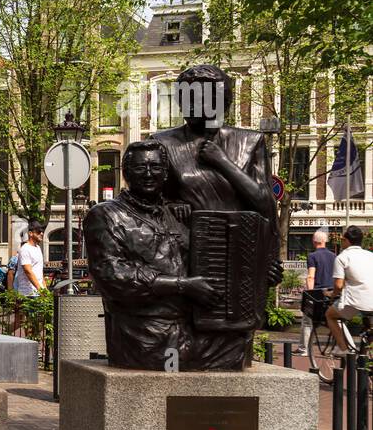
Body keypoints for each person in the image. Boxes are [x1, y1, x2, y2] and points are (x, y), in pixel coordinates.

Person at [152, 63, 282, 368]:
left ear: (225, 102)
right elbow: (149, 206)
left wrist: (222, 162)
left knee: (231, 341)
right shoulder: (163, 143)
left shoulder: (249, 142)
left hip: (238, 260)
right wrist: (171, 209)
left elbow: (264, 204)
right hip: (186, 262)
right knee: (183, 350)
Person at [83, 139, 218, 369]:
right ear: (126, 173)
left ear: (166, 174)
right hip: (140, 336)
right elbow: (112, 275)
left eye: (156, 168)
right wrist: (181, 285)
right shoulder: (106, 215)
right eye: (140, 168)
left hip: (190, 332)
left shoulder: (178, 213)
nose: (148, 174)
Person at [326, 226, 373, 350]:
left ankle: (345, 351)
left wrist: (332, 296)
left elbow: (338, 285)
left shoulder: (342, 257)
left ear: (346, 241)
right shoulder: (370, 255)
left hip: (355, 301)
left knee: (330, 315)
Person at [298, 227, 336, 356]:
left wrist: (309, 294)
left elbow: (311, 276)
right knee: (334, 320)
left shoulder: (312, 256)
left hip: (318, 293)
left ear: (314, 242)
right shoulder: (334, 256)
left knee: (307, 321)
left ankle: (304, 349)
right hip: (332, 293)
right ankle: (338, 347)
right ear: (325, 241)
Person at [11, 221, 45, 333]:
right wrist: (40, 289)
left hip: (37, 292)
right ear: (31, 233)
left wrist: (44, 288)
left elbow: (39, 271)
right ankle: (5, 339)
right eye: (39, 232)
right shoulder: (25, 249)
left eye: (42, 232)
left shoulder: (38, 248)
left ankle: (5, 337)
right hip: (27, 293)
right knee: (28, 322)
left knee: (37, 322)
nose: (41, 234)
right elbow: (28, 270)